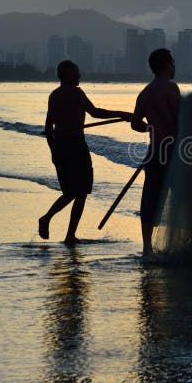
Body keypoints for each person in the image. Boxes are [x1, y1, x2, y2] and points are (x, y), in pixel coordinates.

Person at [39, 60, 132, 245]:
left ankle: (51, 220)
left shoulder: (54, 95)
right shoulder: (76, 93)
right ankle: (66, 233)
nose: (79, 76)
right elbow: (95, 113)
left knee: (70, 192)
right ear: (66, 75)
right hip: (75, 146)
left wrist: (53, 150)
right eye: (76, 73)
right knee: (80, 192)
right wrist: (122, 113)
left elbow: (49, 126)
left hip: (60, 146)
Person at [131, 48, 181, 254]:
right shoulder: (170, 88)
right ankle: (185, 241)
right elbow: (180, 121)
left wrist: (151, 127)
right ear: (167, 64)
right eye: (173, 62)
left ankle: (147, 247)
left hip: (153, 152)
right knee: (183, 197)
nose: (174, 66)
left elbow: (135, 124)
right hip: (173, 151)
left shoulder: (145, 92)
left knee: (150, 199)